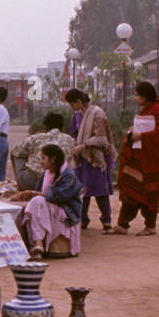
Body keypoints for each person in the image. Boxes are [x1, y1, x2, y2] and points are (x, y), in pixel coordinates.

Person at [113, 81, 159, 236]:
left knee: (149, 192)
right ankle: (122, 224)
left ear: (145, 96)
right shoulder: (146, 109)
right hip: (137, 159)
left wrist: (141, 136)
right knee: (130, 190)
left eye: (137, 95)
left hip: (149, 162)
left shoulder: (157, 110)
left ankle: (150, 226)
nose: (135, 97)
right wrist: (133, 131)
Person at [16, 143, 82, 259]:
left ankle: (37, 243)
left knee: (37, 202)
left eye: (43, 158)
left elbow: (55, 197)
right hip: (50, 206)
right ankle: (38, 244)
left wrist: (32, 193)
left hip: (66, 211)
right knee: (36, 203)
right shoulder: (47, 173)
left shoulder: (68, 175)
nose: (41, 162)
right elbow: (40, 193)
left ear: (53, 159)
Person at [67, 89, 116, 231]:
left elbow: (101, 138)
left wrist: (84, 145)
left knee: (100, 190)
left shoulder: (97, 113)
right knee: (82, 191)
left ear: (79, 101)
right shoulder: (76, 114)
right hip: (81, 158)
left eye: (72, 104)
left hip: (95, 157)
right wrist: (76, 142)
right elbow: (74, 132)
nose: (72, 107)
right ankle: (83, 219)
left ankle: (106, 221)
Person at [11, 112, 77, 190]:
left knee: (16, 153)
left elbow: (16, 150)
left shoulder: (36, 137)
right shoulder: (69, 140)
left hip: (31, 181)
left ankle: (21, 184)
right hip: (57, 182)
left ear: (46, 126)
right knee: (67, 158)